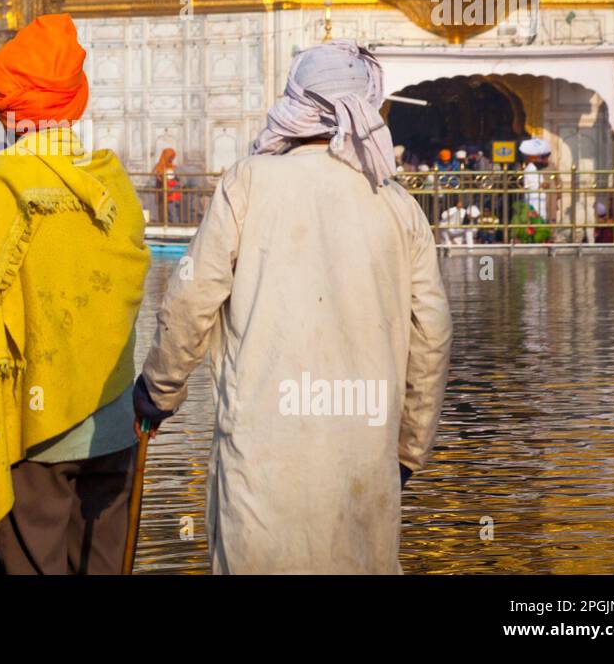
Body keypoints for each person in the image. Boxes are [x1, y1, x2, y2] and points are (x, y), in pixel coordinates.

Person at [134, 40, 453, 574]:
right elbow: (433, 336)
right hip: (364, 462)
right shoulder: (398, 206)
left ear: (295, 104)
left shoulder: (249, 183)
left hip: (263, 466)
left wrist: (158, 390)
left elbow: (193, 298)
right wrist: (407, 451)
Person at [0, 13, 151, 575]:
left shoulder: (0, 183)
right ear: (73, 97)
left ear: (11, 108)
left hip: (37, 426)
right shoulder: (111, 179)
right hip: (114, 421)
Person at [521, 138, 551, 217]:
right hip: (533, 199)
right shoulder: (530, 168)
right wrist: (542, 185)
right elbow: (531, 185)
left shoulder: (538, 169)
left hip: (540, 200)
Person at [152, 147, 183, 224]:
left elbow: (179, 179)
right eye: (170, 157)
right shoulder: (159, 167)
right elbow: (158, 178)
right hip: (164, 195)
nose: (171, 159)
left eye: (172, 157)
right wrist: (163, 178)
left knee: (174, 214)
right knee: (166, 213)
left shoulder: (174, 167)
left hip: (175, 195)